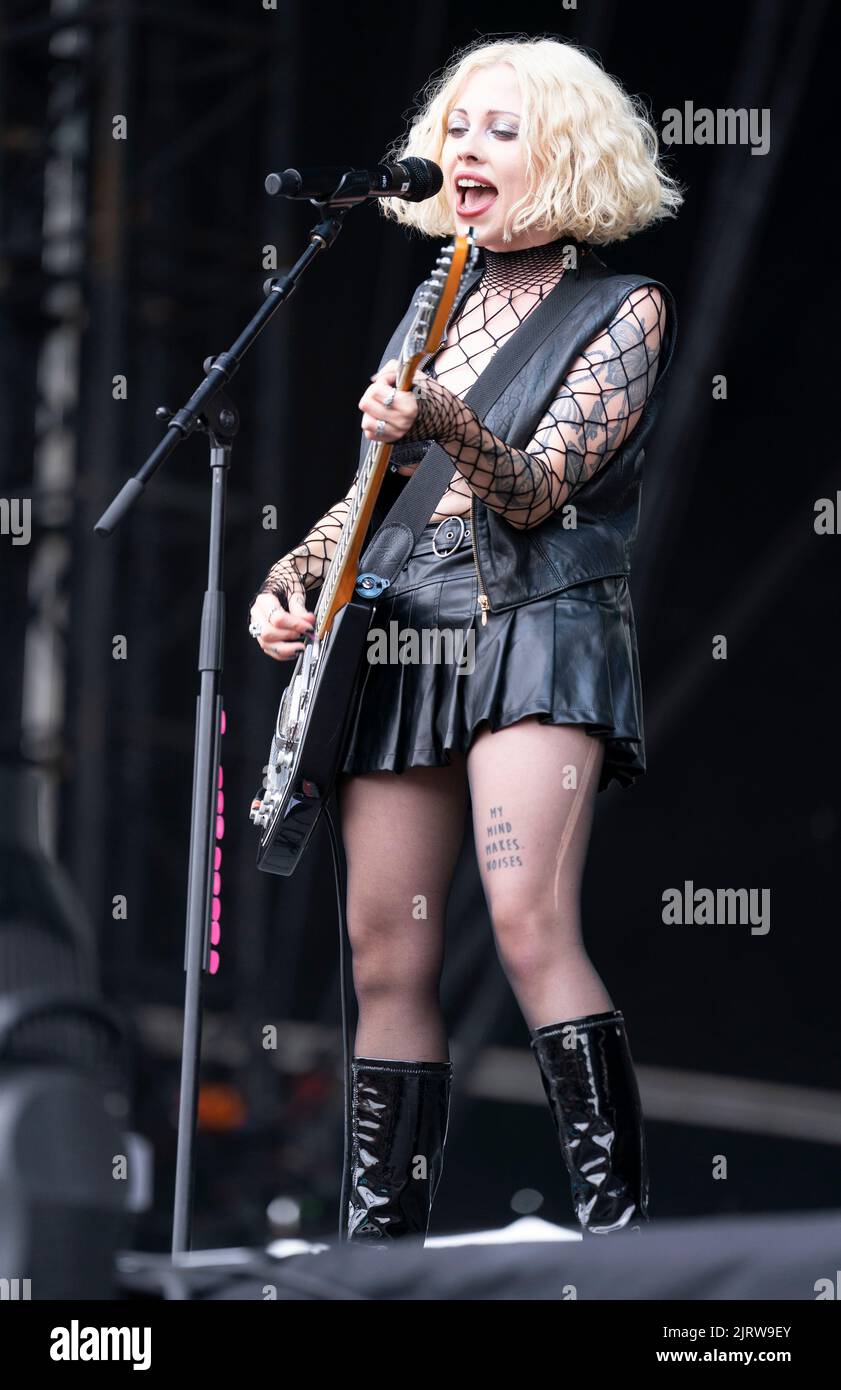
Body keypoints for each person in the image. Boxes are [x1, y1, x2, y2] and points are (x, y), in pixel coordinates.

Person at [249, 36, 681, 1242]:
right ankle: (383, 1253)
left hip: (535, 619)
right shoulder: (432, 298)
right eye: (458, 128)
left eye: (499, 129)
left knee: (526, 918)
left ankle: (616, 1237)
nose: (465, 150)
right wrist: (286, 580)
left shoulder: (622, 306)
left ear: (564, 154)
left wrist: (437, 404)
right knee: (384, 951)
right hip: (403, 622)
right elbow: (373, 496)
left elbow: (541, 490)